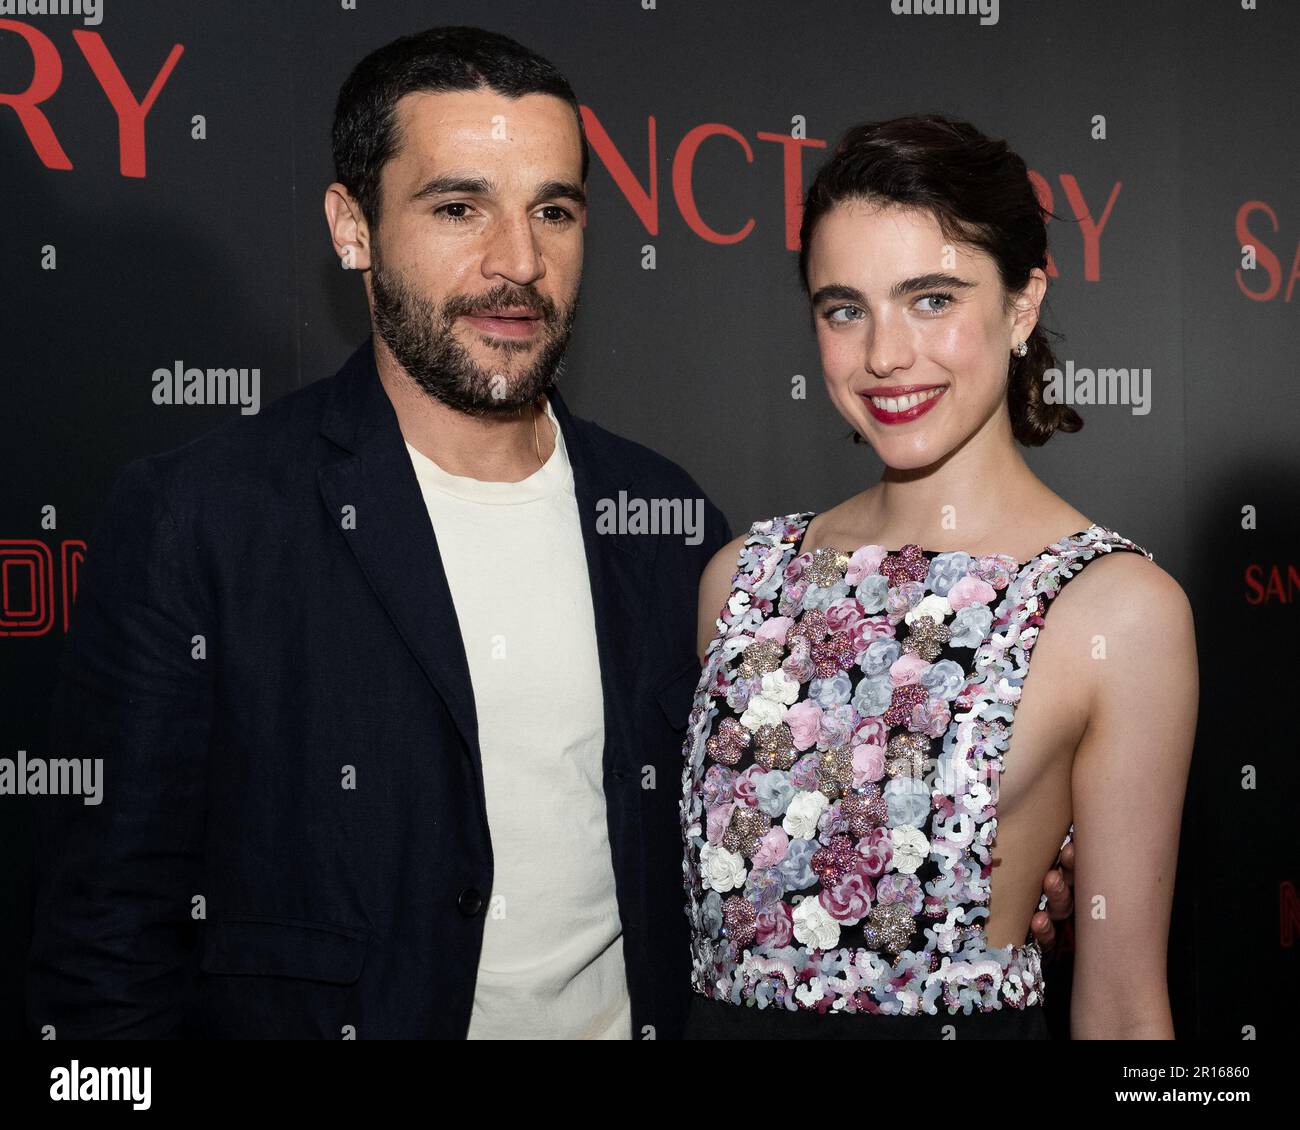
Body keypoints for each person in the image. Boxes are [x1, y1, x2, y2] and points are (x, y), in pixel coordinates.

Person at [24, 25, 1073, 1041]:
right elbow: (106, 943)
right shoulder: (205, 517)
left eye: (554, 210)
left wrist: (988, 866)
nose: (517, 261)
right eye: (457, 207)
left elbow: (777, 822)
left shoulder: (669, 528)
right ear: (352, 227)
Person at [681, 114, 1197, 1039]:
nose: (884, 356)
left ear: (1023, 304)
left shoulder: (1117, 609)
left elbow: (1122, 1009)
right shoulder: (741, 581)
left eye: (931, 299)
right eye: (846, 308)